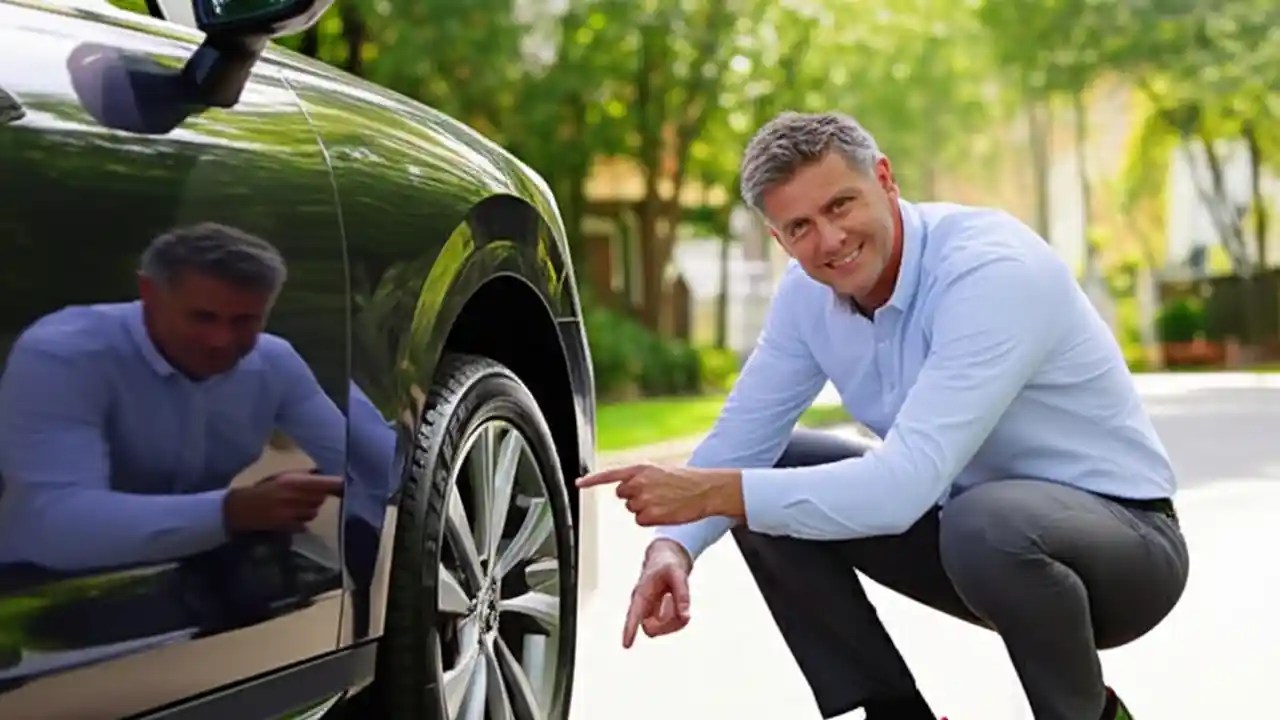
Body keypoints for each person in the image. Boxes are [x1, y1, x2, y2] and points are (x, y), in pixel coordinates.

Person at [577, 112, 1188, 720]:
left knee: (979, 521)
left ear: (886, 180)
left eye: (841, 205)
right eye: (800, 227)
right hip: (967, 535)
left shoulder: (990, 271)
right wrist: (673, 548)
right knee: (776, 470)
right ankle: (893, 714)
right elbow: (745, 438)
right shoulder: (805, 296)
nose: (830, 240)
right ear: (779, 239)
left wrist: (714, 491)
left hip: (1124, 551)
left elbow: (903, 487)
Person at [0, 222, 347, 572]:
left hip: (187, 574)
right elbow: (53, 525)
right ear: (148, 292)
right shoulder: (65, 354)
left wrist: (303, 493)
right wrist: (233, 511)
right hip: (39, 586)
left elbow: (364, 461)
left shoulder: (274, 361)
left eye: (245, 321)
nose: (221, 340)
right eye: (203, 317)